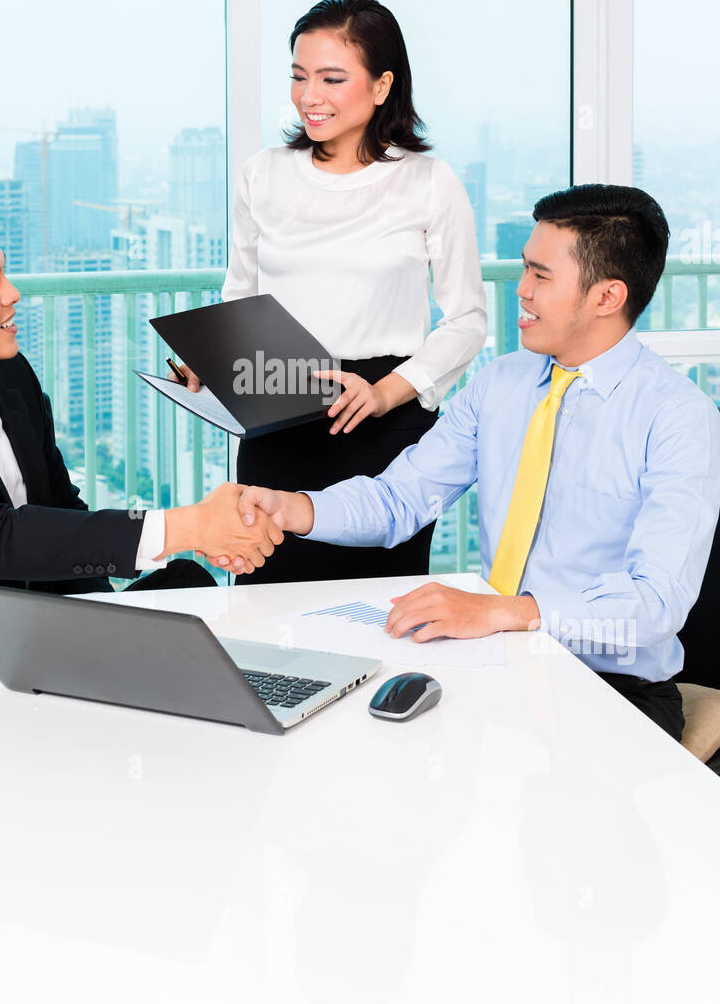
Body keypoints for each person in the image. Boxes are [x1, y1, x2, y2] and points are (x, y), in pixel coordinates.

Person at [235, 185, 720, 740]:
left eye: (541, 276)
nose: (522, 291)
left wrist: (503, 611)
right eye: (524, 270)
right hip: (498, 660)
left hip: (612, 684)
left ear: (607, 297)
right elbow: (401, 499)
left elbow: (655, 604)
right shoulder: (501, 383)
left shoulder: (679, 417)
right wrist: (293, 508)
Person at [0, 191, 281, 633]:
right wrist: (187, 527)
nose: (12, 294)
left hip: (37, 631)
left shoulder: (10, 374)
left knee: (189, 590)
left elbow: (60, 507)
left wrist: (105, 616)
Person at [174, 0, 486, 584]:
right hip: (276, 412)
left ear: (382, 85)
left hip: (382, 421)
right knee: (267, 594)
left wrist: (386, 394)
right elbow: (240, 293)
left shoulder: (427, 183)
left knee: (380, 608)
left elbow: (467, 319)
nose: (309, 96)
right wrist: (211, 360)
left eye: (332, 78)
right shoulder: (262, 173)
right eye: (299, 76)